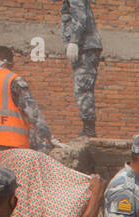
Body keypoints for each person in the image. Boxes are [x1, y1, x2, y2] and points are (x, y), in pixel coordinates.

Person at [0, 46, 56, 153]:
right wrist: (50, 137)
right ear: (8, 61)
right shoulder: (13, 80)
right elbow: (33, 113)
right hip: (14, 144)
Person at [60, 0, 101, 137]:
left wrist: (74, 41)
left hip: (85, 47)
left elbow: (80, 16)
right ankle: (88, 127)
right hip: (85, 47)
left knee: (82, 88)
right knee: (82, 88)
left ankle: (89, 129)